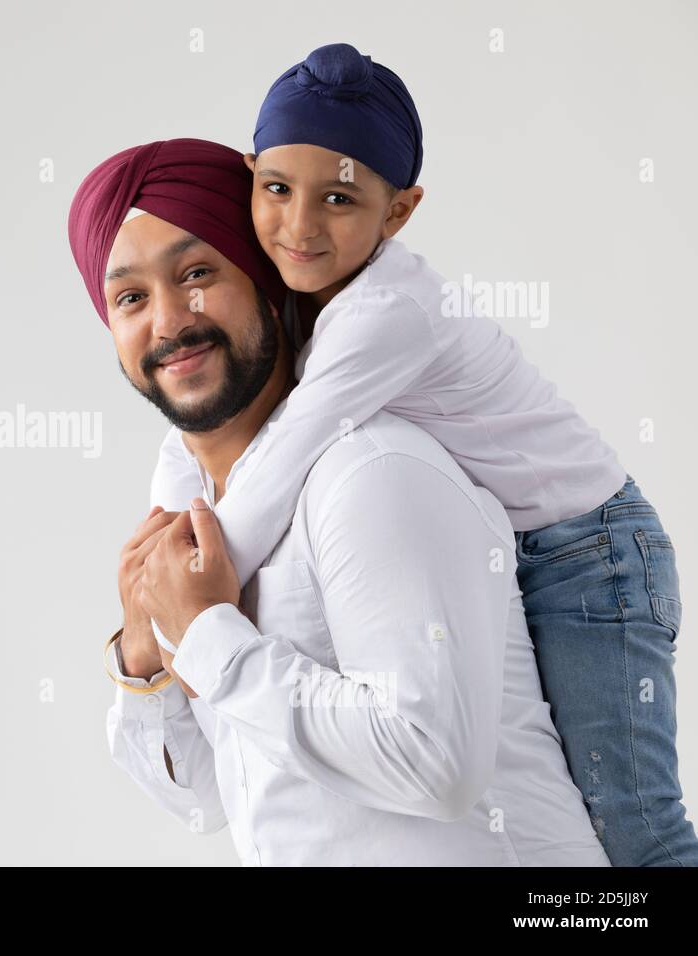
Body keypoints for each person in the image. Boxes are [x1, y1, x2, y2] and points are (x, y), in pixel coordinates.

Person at [141, 43, 695, 867]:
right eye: (278, 190)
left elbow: (285, 450)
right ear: (252, 173)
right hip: (542, 546)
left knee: (633, 826)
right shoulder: (311, 304)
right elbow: (200, 442)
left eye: (338, 199)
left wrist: (190, 607)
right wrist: (164, 555)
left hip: (593, 556)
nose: (298, 227)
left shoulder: (385, 314)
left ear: (398, 212)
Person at [69, 137, 609, 865]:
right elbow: (205, 798)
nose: (168, 321)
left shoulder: (369, 472)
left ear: (268, 279)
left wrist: (206, 635)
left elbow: (434, 763)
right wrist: (145, 654)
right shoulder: (191, 521)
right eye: (130, 298)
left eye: (198, 273)